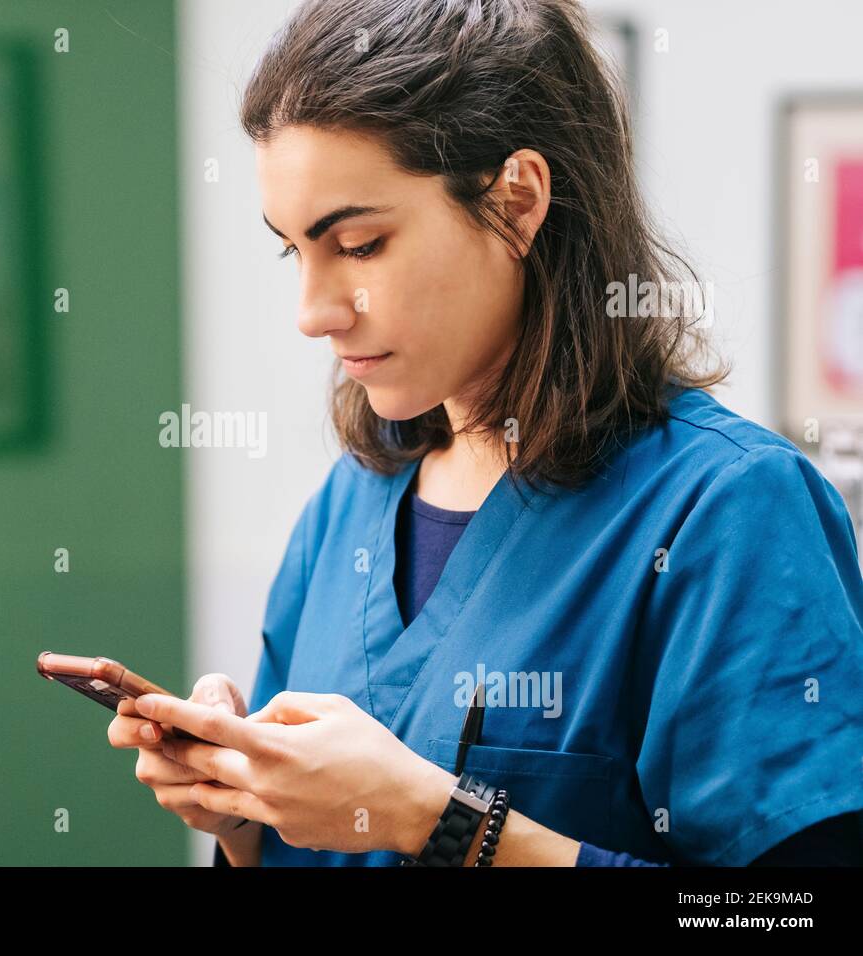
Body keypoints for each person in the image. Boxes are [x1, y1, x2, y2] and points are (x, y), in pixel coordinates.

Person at [108, 0, 863, 866]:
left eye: (357, 245)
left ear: (517, 202)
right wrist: (243, 813)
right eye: (293, 251)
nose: (312, 314)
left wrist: (440, 821)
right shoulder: (347, 510)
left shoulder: (727, 513)